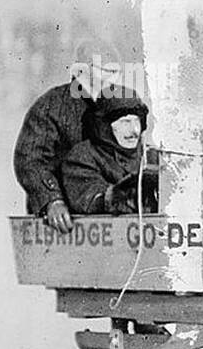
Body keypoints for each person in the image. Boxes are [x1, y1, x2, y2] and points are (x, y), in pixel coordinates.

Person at [12, 61, 127, 231]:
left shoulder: (121, 105)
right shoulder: (53, 104)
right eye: (103, 71)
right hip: (63, 223)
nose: (111, 79)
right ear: (82, 71)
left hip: (112, 221)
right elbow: (30, 159)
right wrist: (52, 200)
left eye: (114, 72)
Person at [60, 93, 156, 215]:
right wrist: (123, 195)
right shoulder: (83, 156)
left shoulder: (151, 156)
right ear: (105, 126)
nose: (135, 131)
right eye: (125, 122)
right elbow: (91, 200)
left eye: (136, 121)